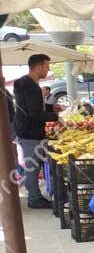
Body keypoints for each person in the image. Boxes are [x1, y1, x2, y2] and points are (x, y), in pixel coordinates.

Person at [8, 52, 56, 208]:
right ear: (39, 67)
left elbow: (31, 106)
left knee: (34, 166)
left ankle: (35, 196)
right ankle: (34, 199)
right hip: (30, 132)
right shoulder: (30, 86)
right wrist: (55, 116)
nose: (47, 70)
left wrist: (50, 107)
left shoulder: (25, 83)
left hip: (27, 130)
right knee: (32, 167)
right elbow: (35, 113)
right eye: (47, 67)